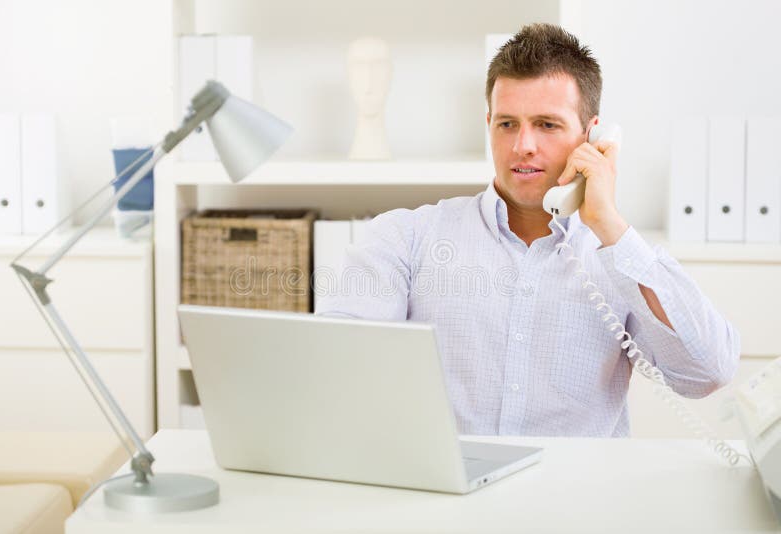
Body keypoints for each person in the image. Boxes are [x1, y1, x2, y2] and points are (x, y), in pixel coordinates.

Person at [315, 23, 739, 437]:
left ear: (592, 136)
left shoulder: (618, 257)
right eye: (507, 124)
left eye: (547, 124)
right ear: (489, 124)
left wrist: (608, 224)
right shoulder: (407, 237)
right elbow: (333, 364)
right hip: (449, 499)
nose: (523, 146)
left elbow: (707, 374)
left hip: (576, 501)